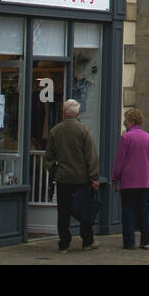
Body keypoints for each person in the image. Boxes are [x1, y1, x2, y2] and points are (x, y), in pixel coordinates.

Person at [44, 98, 100, 253]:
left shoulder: (55, 130)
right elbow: (91, 156)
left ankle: (64, 243)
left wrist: (55, 172)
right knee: (84, 211)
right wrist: (94, 177)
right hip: (81, 178)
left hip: (63, 178)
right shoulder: (83, 130)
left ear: (63, 112)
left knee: (63, 213)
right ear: (77, 113)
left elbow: (49, 157)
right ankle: (87, 241)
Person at [111, 106, 149, 250]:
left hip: (128, 181)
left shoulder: (126, 137)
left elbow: (119, 161)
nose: (124, 122)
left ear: (131, 121)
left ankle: (129, 242)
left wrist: (114, 178)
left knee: (128, 211)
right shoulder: (147, 137)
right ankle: (145, 241)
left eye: (126, 119)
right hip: (144, 181)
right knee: (143, 211)